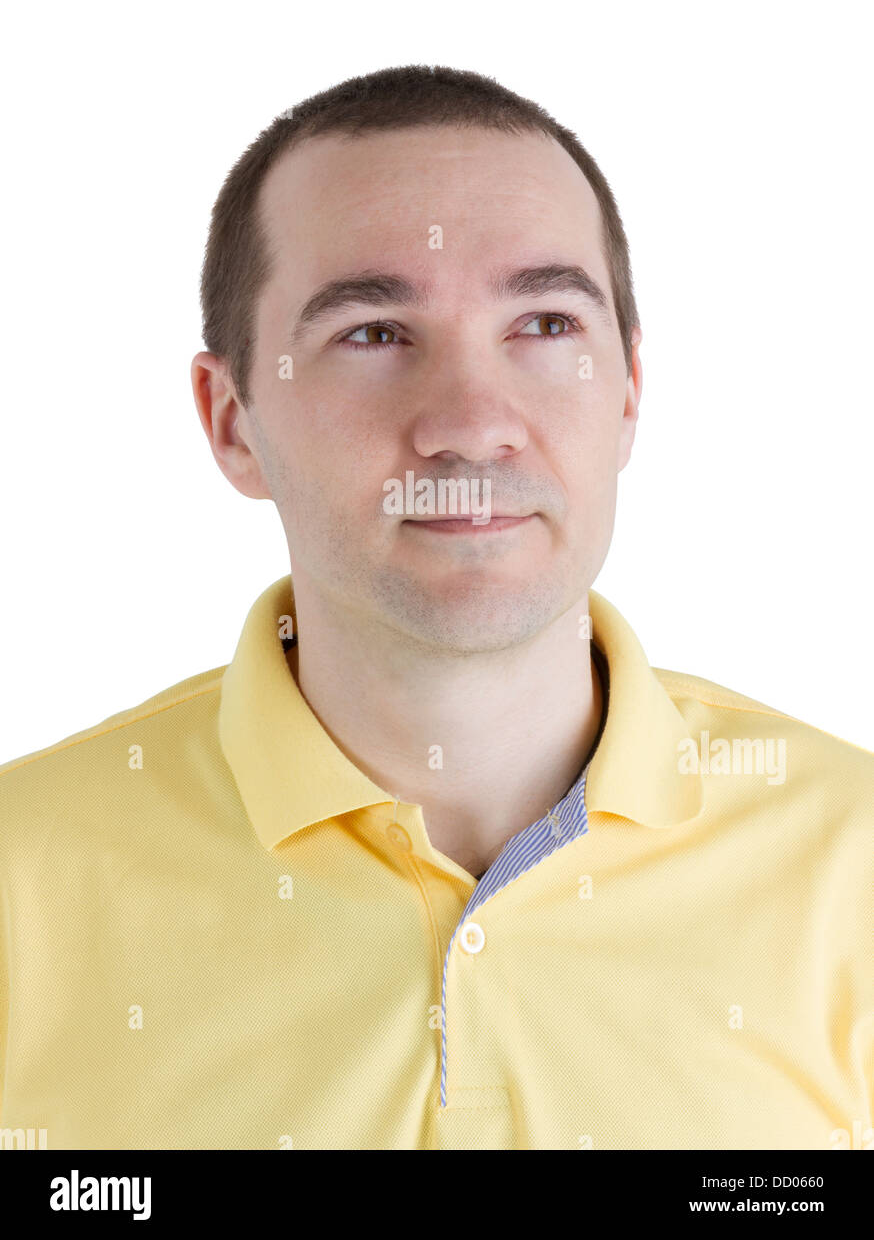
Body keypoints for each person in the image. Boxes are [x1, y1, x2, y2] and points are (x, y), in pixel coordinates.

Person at [1, 65, 871, 1151]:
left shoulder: (856, 862)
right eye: (373, 333)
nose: (471, 422)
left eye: (545, 323)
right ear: (231, 422)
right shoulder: (18, 884)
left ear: (629, 395)